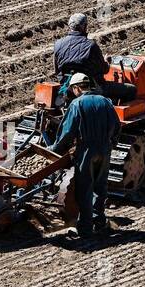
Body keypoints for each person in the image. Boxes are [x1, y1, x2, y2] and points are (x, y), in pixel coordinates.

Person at [50, 74, 120, 239]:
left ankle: (86, 228)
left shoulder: (77, 104)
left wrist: (55, 149)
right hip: (104, 148)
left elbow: (67, 132)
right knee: (100, 186)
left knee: (85, 187)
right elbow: (117, 126)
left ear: (76, 88)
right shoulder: (105, 101)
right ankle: (100, 222)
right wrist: (111, 144)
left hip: (86, 150)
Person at [52, 12, 135, 103]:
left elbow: (57, 71)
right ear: (84, 26)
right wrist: (106, 62)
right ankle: (111, 112)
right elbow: (104, 70)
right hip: (91, 88)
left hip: (69, 87)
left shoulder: (58, 44)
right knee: (131, 89)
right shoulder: (90, 45)